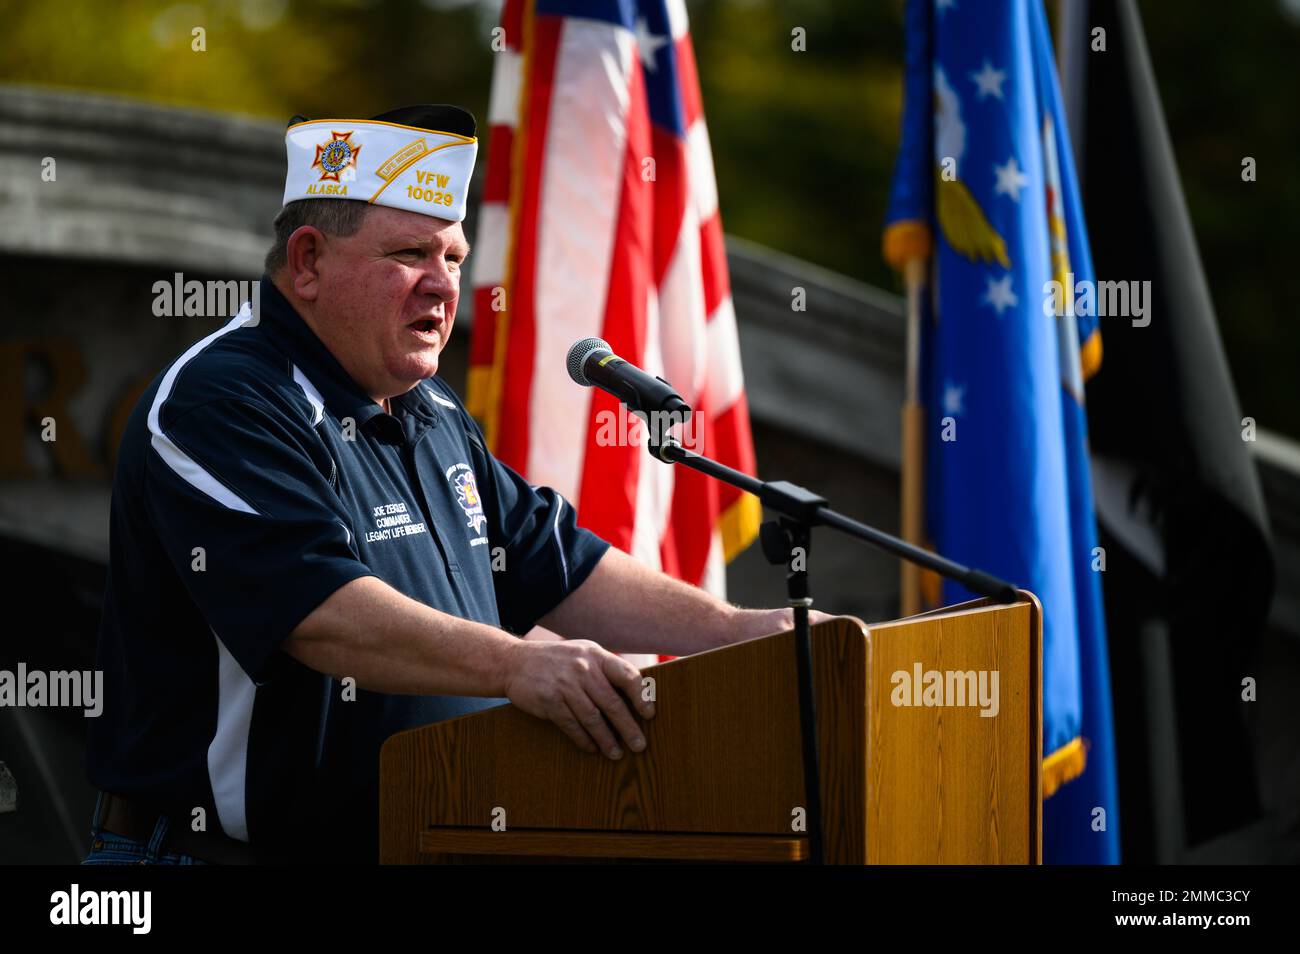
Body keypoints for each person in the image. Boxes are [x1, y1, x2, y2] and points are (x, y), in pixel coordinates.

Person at [84, 105, 813, 865]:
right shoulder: (224, 400)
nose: (442, 285)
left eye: (456, 259)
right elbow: (318, 612)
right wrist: (515, 663)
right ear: (307, 262)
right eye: (410, 253)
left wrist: (742, 634)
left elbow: (554, 560)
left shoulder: (427, 406)